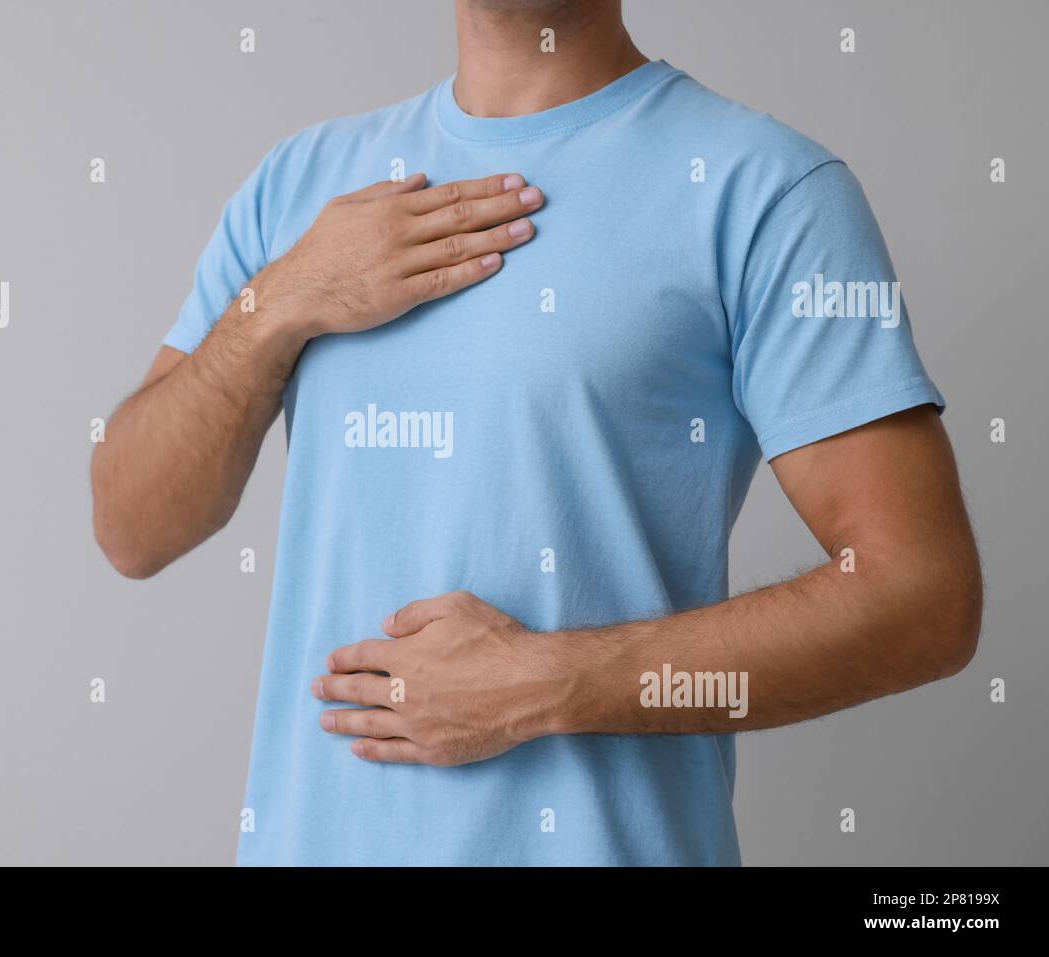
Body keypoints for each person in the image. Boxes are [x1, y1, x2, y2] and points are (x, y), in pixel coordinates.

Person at [90, 0, 981, 865]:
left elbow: (923, 597)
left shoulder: (768, 191)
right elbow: (132, 527)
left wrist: (547, 682)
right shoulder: (299, 186)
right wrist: (282, 300)